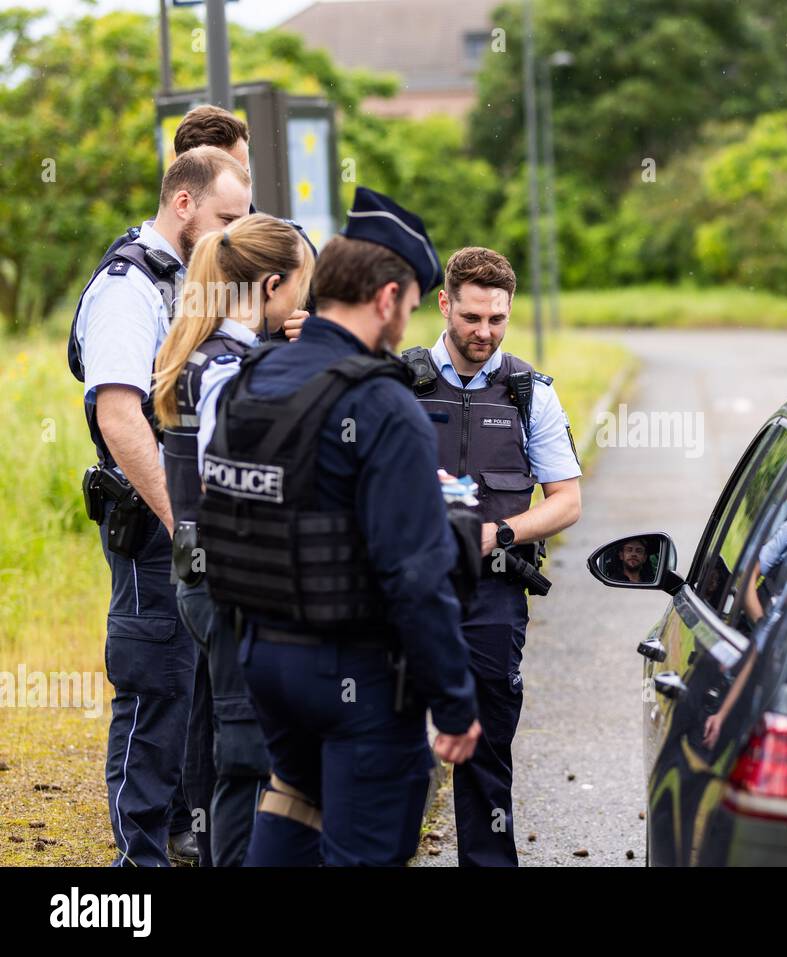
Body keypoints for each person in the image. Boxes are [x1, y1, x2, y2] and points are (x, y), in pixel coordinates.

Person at [196, 188, 481, 866]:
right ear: (386, 298)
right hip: (355, 675)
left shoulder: (251, 377)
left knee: (293, 799)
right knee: (366, 846)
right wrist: (455, 699)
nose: (407, 323)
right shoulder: (382, 403)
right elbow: (413, 575)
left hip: (262, 659)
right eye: (411, 306)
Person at [70, 146, 253, 867]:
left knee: (199, 694)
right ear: (184, 204)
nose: (234, 235)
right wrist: (183, 523)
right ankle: (136, 869)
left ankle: (185, 840)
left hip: (193, 524)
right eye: (225, 219)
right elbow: (121, 416)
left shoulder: (193, 278)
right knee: (156, 690)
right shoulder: (130, 286)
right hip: (154, 525)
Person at [402, 246, 582, 866]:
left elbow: (566, 501)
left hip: (492, 596)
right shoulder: (398, 381)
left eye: (497, 320)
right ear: (445, 304)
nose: (484, 333)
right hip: (405, 591)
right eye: (472, 317)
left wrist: (500, 533)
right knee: (387, 744)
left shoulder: (530, 393)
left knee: (486, 748)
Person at [153, 214, 314, 865]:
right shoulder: (228, 369)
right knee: (247, 761)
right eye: (300, 287)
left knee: (241, 750)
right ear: (271, 283)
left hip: (202, 575)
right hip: (229, 582)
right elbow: (239, 484)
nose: (302, 302)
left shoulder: (208, 353)